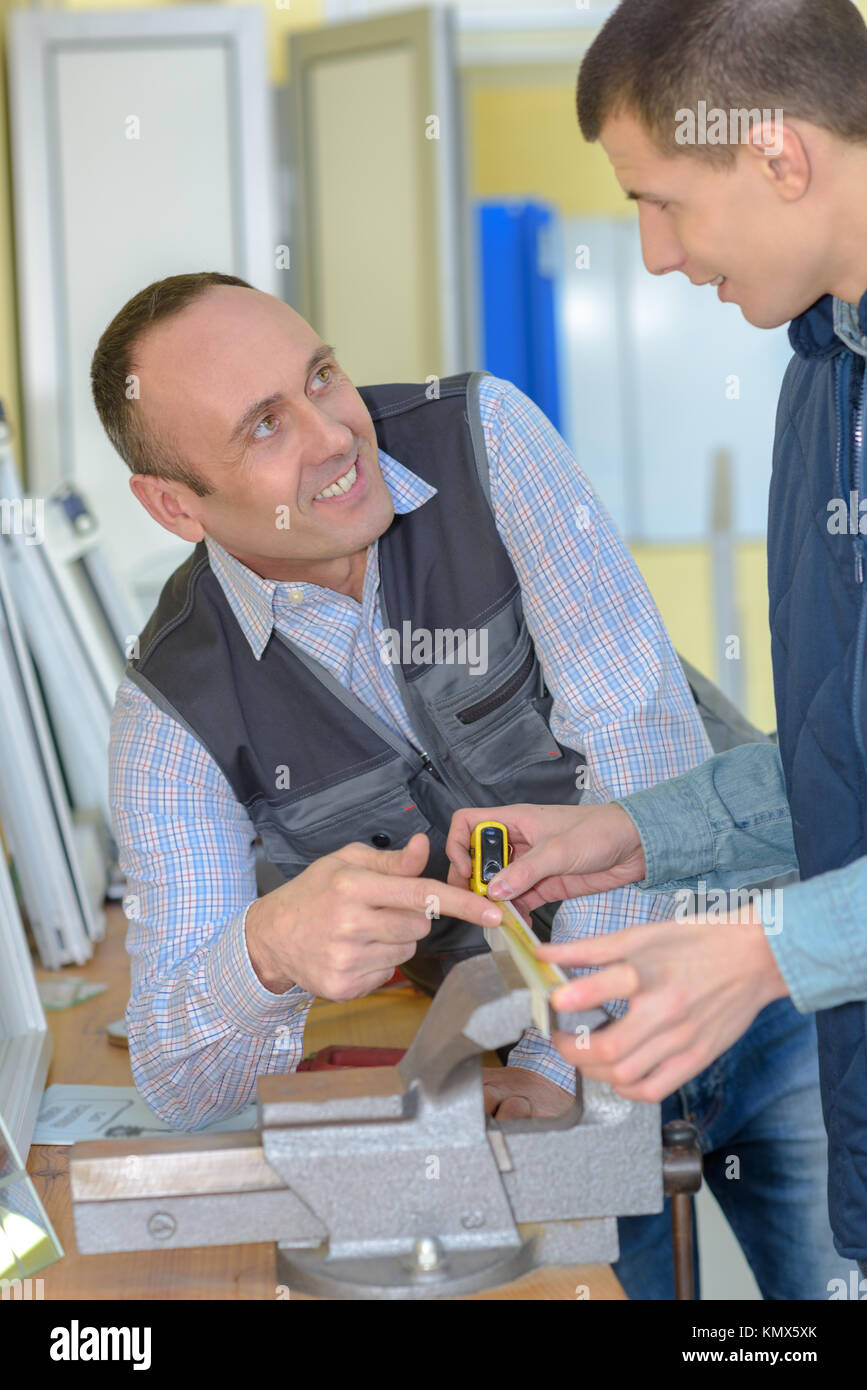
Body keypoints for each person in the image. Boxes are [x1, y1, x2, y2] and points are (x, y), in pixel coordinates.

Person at [92, 272, 847, 1299]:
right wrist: (265, 949)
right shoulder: (170, 710)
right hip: (538, 1082)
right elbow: (178, 1082)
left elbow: (644, 752)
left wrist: (552, 1055)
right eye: (265, 425)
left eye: (322, 375)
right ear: (176, 504)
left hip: (754, 971)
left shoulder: (485, 440)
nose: (332, 435)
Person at [446, 0, 867, 1282]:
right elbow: (836, 758)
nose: (655, 254)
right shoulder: (823, 378)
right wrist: (631, 834)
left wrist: (765, 952)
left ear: (778, 154)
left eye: (663, 201)